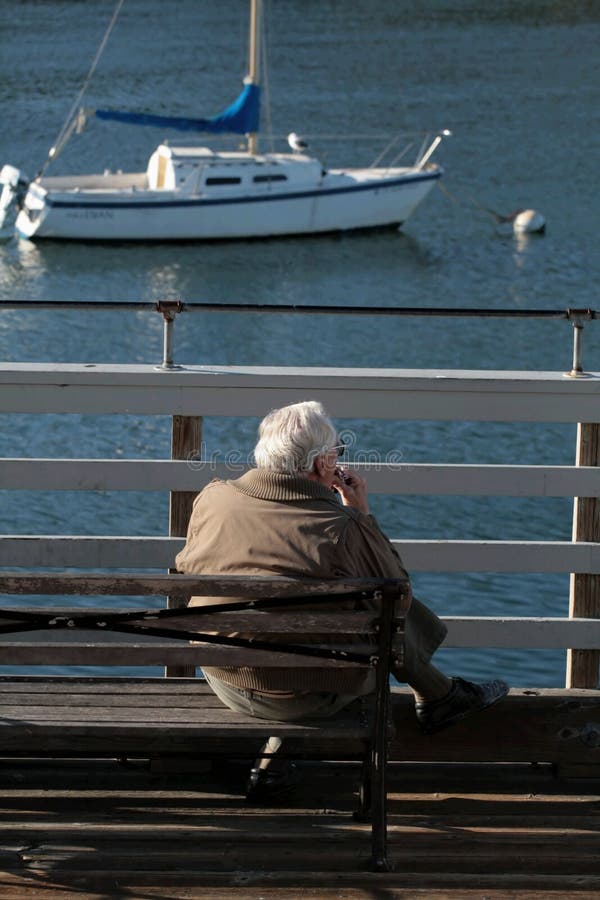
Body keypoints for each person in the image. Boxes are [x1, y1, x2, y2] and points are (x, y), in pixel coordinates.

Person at [175, 400, 508, 800]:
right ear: (322, 464)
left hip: (224, 677)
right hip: (304, 697)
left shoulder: (212, 498)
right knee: (379, 617)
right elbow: (399, 596)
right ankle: (440, 696)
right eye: (338, 452)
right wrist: (361, 516)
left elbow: (188, 567)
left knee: (320, 621)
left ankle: (438, 696)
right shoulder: (341, 527)